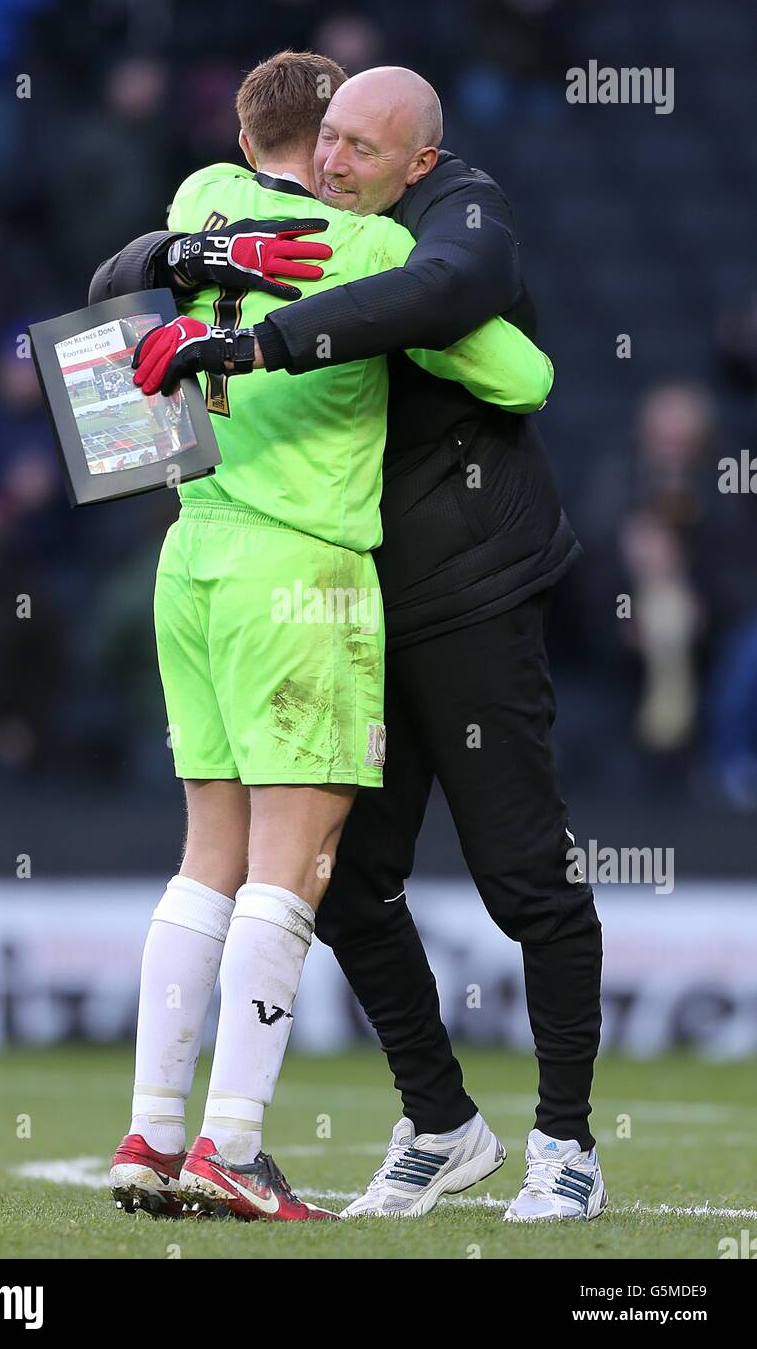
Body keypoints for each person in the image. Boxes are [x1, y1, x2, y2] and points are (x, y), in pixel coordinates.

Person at [128, 61, 607, 1225]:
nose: (338, 164)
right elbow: (125, 267)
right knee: (344, 884)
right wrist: (198, 259)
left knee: (523, 875)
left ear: (419, 167)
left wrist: (247, 326)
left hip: (472, 592)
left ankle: (567, 1142)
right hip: (346, 599)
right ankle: (440, 1122)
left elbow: (470, 305)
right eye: (328, 140)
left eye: (362, 149)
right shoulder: (282, 224)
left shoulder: (445, 220)